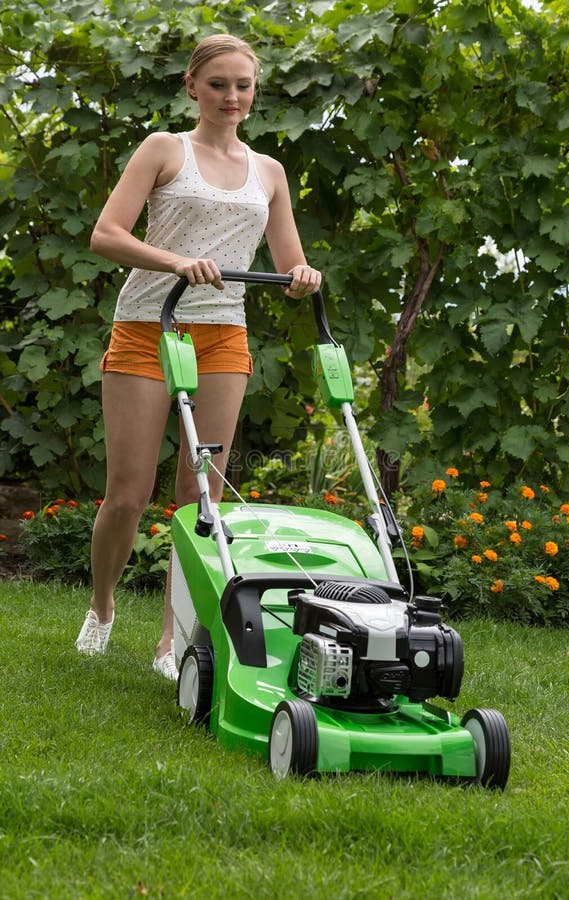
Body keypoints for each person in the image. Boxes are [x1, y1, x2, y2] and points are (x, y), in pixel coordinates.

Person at [76, 34, 322, 678]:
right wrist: (177, 261)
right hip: (146, 327)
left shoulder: (268, 171)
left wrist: (302, 276)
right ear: (193, 87)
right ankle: (102, 609)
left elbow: (287, 255)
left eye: (243, 85)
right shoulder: (165, 149)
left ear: (254, 91)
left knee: (201, 497)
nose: (232, 96)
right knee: (128, 495)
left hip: (222, 337)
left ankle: (173, 640)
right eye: (218, 84)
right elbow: (107, 235)